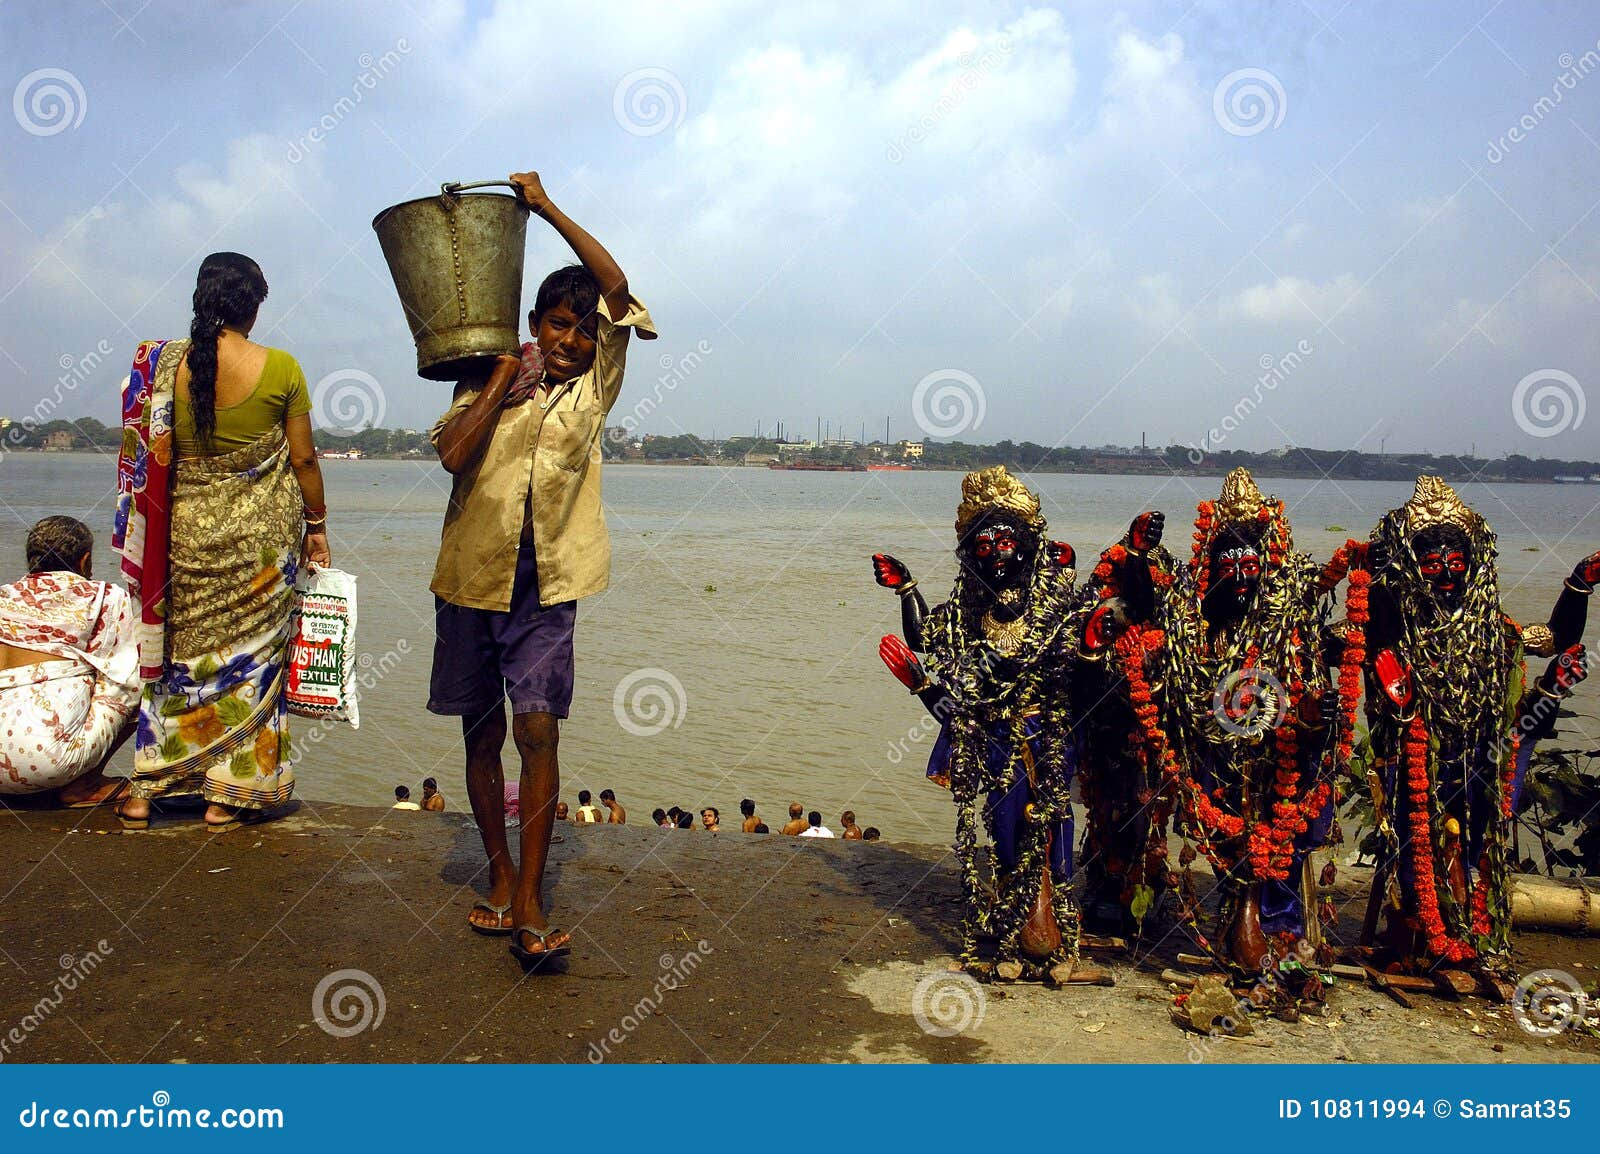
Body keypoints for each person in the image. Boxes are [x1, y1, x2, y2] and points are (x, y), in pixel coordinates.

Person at [427, 169, 653, 967]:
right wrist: (497, 382)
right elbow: (455, 455)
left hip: (547, 583)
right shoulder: (487, 375)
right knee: (481, 730)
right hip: (468, 579)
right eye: (558, 326)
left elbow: (619, 290)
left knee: (537, 727)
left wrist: (546, 207)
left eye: (582, 331)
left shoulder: (594, 390)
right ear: (532, 324)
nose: (569, 342)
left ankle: (529, 892)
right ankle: (496, 870)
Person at [113, 252, 331, 833]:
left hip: (181, 541)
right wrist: (318, 526)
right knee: (252, 664)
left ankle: (149, 787)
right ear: (254, 306)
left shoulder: (161, 369)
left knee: (179, 660)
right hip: (259, 552)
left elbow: (147, 459)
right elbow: (305, 458)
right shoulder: (280, 367)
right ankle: (226, 797)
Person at [1357, 477, 1596, 973]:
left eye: (1455, 563)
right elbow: (1348, 643)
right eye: (1433, 564)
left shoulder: (1494, 630)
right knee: (1413, 833)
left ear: (1473, 565)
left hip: (1480, 751)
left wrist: (1579, 583)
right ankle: (1420, 930)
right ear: (1412, 568)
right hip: (1416, 750)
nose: (1446, 573)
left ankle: (1470, 927)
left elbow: (1553, 638)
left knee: (1479, 834)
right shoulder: (1397, 624)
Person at [0, 517, 139, 803]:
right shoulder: (104, 597)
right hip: (45, 762)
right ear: (84, 561)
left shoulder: (3, 595)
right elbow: (126, 674)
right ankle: (84, 785)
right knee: (136, 673)